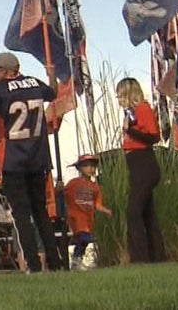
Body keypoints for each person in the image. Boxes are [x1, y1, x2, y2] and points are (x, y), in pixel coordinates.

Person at [0, 52, 64, 272]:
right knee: (41, 212)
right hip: (39, 157)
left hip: (15, 161)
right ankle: (55, 263)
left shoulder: (0, 90)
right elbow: (52, 93)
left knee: (22, 214)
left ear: (6, 71)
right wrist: (51, 75)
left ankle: (33, 266)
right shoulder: (35, 83)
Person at [117, 77, 166, 264]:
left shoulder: (143, 109)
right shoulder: (131, 113)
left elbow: (153, 137)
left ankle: (139, 258)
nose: (119, 100)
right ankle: (157, 257)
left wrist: (130, 131)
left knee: (133, 212)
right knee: (147, 213)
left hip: (144, 163)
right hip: (136, 164)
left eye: (121, 96)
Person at [63, 153, 112, 271]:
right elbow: (63, 194)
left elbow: (97, 204)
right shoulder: (73, 183)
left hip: (88, 219)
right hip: (76, 217)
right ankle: (76, 257)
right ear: (80, 168)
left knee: (84, 239)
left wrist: (106, 210)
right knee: (84, 238)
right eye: (87, 166)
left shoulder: (95, 187)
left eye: (92, 166)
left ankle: (77, 259)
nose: (90, 169)